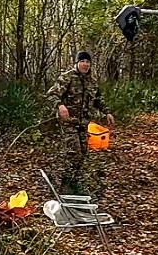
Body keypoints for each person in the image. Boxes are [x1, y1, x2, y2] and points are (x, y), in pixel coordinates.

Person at [47, 52, 113, 190]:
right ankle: (65, 186)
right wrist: (60, 106)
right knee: (74, 153)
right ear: (77, 63)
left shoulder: (92, 82)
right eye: (82, 61)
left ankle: (73, 182)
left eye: (88, 62)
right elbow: (52, 94)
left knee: (83, 154)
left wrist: (107, 112)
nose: (85, 64)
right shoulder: (67, 77)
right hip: (69, 122)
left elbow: (98, 100)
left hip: (83, 124)